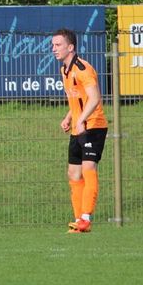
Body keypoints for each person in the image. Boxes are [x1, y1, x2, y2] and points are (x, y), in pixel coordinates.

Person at [50, 27, 107, 234]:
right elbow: (77, 97)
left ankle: (86, 218)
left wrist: (81, 119)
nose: (54, 49)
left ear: (70, 47)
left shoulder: (83, 68)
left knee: (88, 168)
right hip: (78, 127)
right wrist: (69, 118)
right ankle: (78, 221)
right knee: (73, 173)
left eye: (58, 45)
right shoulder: (64, 70)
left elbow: (95, 97)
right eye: (53, 45)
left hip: (93, 125)